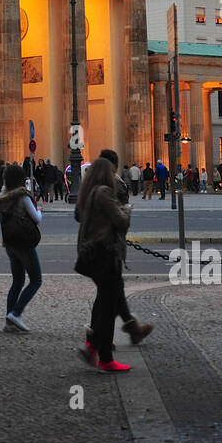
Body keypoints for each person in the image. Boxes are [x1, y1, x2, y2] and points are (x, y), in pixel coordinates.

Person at [75, 157, 140, 373]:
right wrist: (127, 209)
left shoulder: (89, 192)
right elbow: (121, 221)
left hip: (96, 254)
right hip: (105, 255)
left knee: (106, 303)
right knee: (108, 306)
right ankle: (103, 356)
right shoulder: (103, 192)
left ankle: (94, 348)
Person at [0, 164, 43, 332]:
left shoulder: (0, 200)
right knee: (35, 280)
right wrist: (40, 211)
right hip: (24, 242)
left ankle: (8, 322)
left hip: (9, 242)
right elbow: (36, 219)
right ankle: (16, 313)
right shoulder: (23, 196)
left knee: (17, 281)